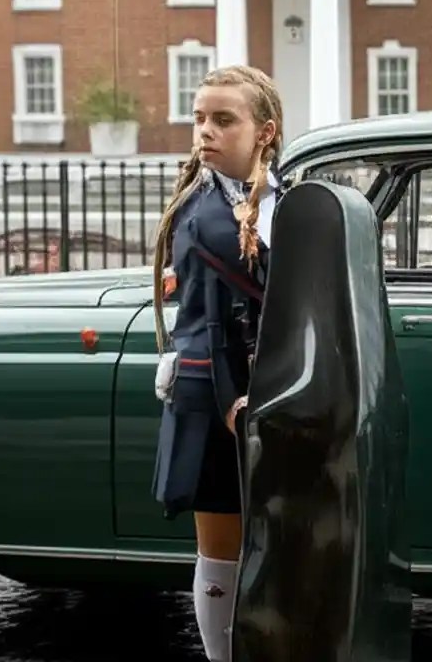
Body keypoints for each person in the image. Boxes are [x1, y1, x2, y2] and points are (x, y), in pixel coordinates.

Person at [150, 64, 284, 662]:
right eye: (199, 117)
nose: (205, 130)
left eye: (223, 119)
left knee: (282, 540)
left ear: (265, 131)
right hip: (220, 397)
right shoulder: (201, 213)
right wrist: (232, 394)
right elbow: (204, 319)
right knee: (222, 545)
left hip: (284, 389)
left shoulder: (291, 199)